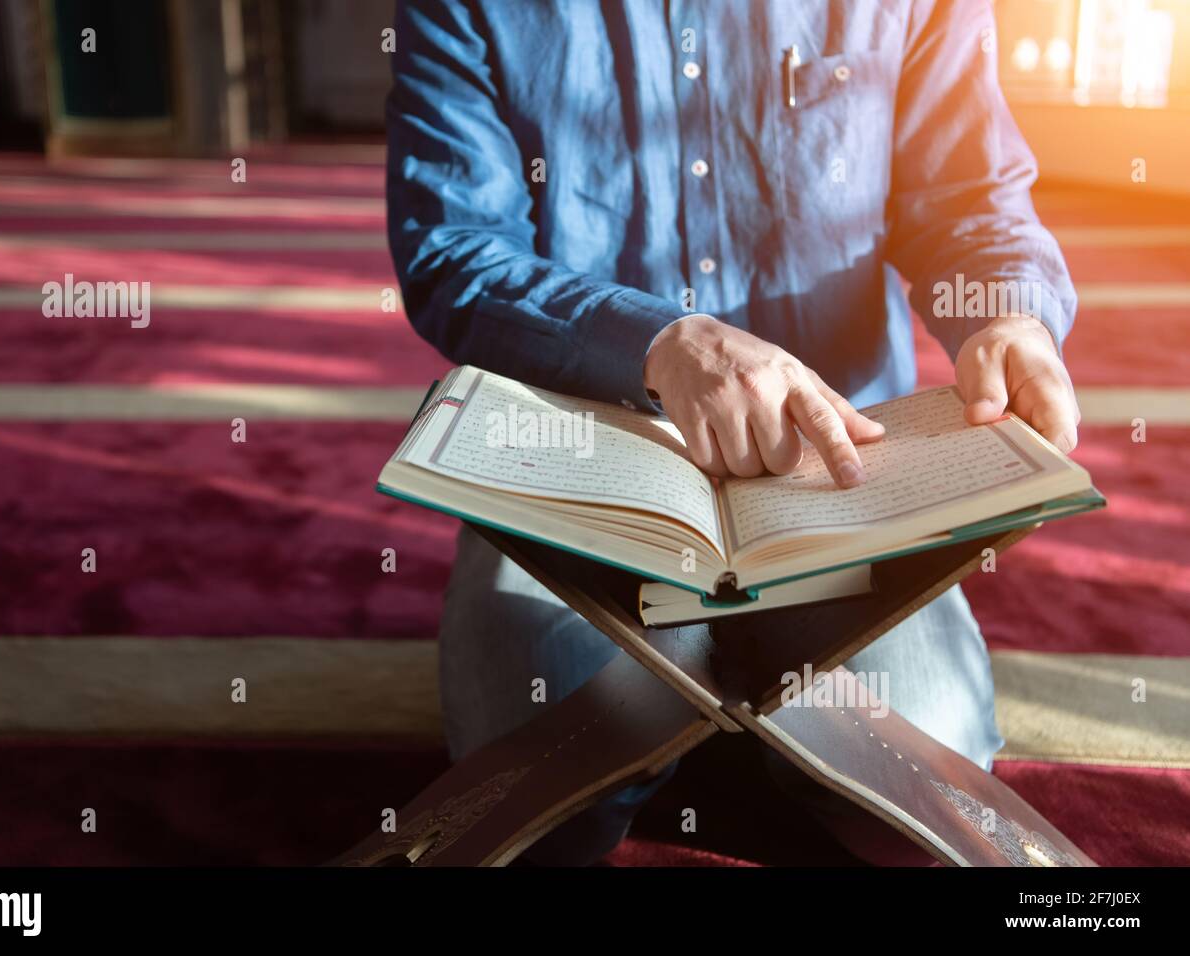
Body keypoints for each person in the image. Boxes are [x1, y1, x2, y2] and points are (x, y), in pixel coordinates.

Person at [385, 0, 1080, 865]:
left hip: (846, 466)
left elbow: (969, 199)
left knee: (929, 794)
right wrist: (652, 342)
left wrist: (1009, 313)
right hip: (581, 458)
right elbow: (455, 248)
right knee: (532, 795)